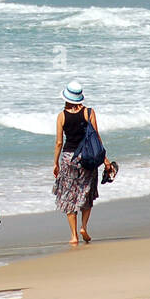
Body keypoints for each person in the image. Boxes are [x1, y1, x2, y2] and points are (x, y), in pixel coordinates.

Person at [52, 82, 116, 245]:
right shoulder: (89, 112)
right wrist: (105, 159)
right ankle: (84, 227)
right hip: (87, 157)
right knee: (87, 192)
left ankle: (73, 235)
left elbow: (59, 142)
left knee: (69, 195)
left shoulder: (62, 116)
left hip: (68, 159)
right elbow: (96, 137)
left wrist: (55, 163)